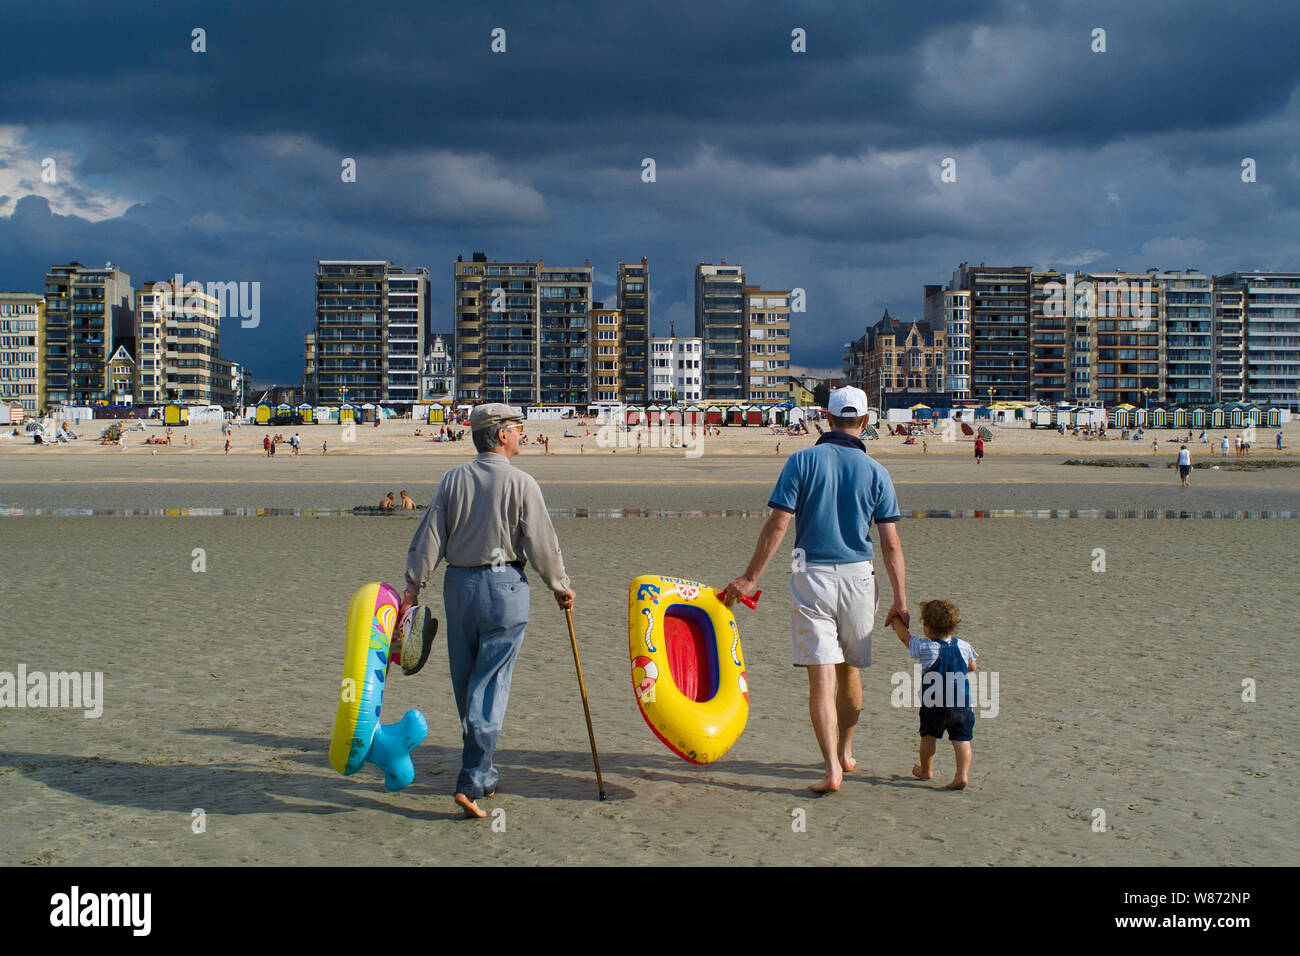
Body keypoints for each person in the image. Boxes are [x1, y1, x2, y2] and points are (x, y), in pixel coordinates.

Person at [720, 386, 906, 793]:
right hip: (860, 577)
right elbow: (890, 543)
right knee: (850, 671)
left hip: (812, 574)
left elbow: (778, 525)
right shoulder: (877, 471)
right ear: (867, 422)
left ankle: (830, 771)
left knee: (822, 679)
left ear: (826, 416)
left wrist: (751, 578)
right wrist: (901, 600)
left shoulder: (802, 460)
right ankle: (846, 751)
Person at [402, 403, 575, 819]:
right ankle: (473, 779)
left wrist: (412, 585)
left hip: (459, 584)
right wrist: (560, 586)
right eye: (517, 428)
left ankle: (483, 770)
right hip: (504, 587)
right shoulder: (522, 482)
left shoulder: (453, 480)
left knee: (467, 681)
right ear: (500, 435)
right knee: (491, 683)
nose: (521, 434)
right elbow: (541, 543)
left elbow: (430, 538)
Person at [891, 600, 977, 789]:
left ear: (928, 629)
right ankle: (962, 775)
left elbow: (905, 638)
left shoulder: (925, 647)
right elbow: (972, 666)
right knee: (962, 740)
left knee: (929, 736)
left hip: (934, 705)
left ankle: (926, 770)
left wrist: (896, 619)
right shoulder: (963, 645)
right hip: (961, 705)